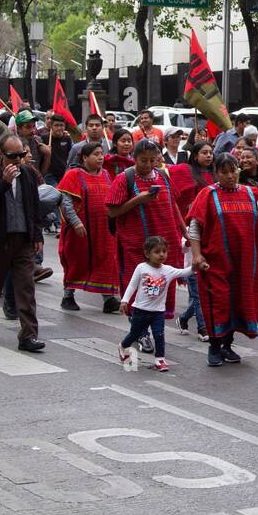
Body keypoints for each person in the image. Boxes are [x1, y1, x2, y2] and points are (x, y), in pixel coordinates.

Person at [187, 151, 258, 367]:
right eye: (224, 172)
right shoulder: (207, 195)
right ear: (216, 173)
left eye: (233, 170)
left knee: (239, 301)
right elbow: (195, 227)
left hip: (245, 263)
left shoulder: (252, 193)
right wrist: (197, 255)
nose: (229, 176)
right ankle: (214, 346)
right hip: (215, 262)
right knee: (219, 302)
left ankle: (228, 345)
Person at [107, 138, 187, 354]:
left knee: (158, 289)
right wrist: (138, 200)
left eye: (153, 160)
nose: (148, 164)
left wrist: (183, 229)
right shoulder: (124, 179)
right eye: (143, 160)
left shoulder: (162, 176)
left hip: (162, 244)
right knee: (139, 288)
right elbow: (112, 211)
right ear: (134, 158)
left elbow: (174, 205)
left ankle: (152, 329)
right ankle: (141, 333)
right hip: (135, 245)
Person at [0, 134, 46, 352]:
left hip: (23, 239)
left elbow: (35, 205)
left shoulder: (29, 174)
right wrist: (4, 183)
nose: (17, 160)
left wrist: (37, 235)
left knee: (26, 288)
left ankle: (28, 335)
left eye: (21, 154)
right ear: (1, 155)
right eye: (12, 155)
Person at [56, 141, 122, 313]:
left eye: (101, 154)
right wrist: (76, 222)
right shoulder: (73, 175)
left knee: (105, 261)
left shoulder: (107, 175)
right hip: (80, 231)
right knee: (77, 261)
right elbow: (66, 203)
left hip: (103, 230)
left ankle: (108, 299)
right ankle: (68, 295)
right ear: (84, 158)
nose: (100, 157)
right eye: (95, 154)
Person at [119, 235, 192, 372]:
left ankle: (160, 359)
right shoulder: (141, 268)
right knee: (134, 334)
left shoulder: (168, 270)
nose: (161, 255)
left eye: (164, 251)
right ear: (147, 253)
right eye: (157, 252)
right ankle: (122, 347)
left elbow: (184, 272)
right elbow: (132, 286)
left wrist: (197, 266)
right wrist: (124, 301)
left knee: (159, 335)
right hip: (140, 310)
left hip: (158, 311)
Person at [168, 143, 215, 339]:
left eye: (211, 152)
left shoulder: (214, 176)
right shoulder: (184, 172)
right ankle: (203, 328)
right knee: (196, 283)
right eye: (204, 152)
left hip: (210, 233)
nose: (209, 156)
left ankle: (186, 317)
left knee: (206, 283)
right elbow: (175, 199)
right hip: (190, 232)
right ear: (195, 155)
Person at [15, 110, 50, 178]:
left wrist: (48, 155)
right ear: (19, 129)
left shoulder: (38, 141)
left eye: (33, 126)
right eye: (28, 127)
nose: (32, 130)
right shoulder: (13, 144)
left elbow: (43, 173)